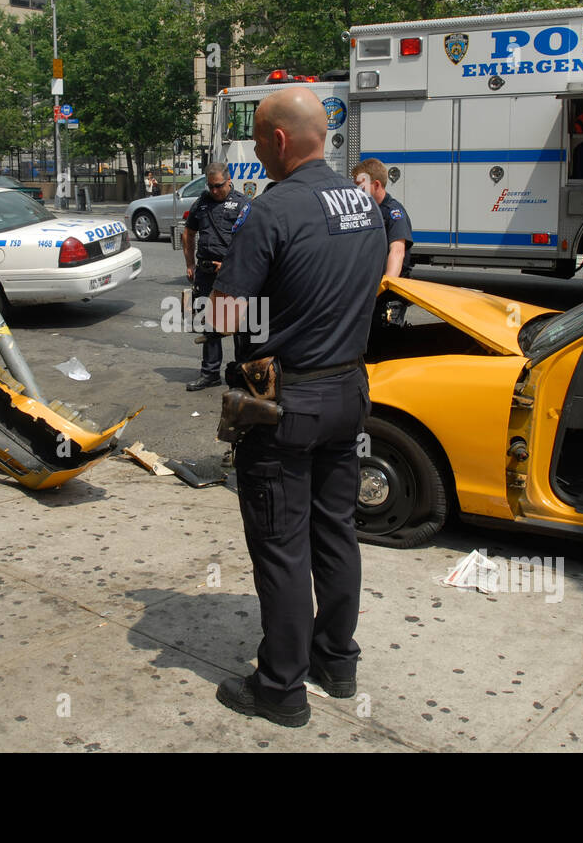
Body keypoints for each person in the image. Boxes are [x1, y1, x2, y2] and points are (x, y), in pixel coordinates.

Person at [209, 87, 386, 727]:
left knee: (282, 547)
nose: (256, 152)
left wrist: (223, 280)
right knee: (335, 530)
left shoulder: (273, 209)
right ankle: (336, 662)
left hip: (286, 403)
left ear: (279, 141)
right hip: (348, 393)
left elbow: (227, 311)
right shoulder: (366, 204)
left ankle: (281, 690)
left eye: (257, 141)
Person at [182, 163, 250, 391]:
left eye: (218, 186)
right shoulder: (201, 203)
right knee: (210, 325)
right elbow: (188, 233)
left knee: (240, 326)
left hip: (232, 274)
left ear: (228, 181)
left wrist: (230, 265)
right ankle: (210, 373)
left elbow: (251, 241)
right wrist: (190, 263)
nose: (213, 191)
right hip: (205, 273)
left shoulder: (242, 203)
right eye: (210, 186)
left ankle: (243, 374)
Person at [353, 158, 415, 326]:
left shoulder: (393, 213)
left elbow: (397, 251)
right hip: (368, 291)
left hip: (386, 296)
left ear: (376, 185)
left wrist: (385, 287)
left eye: (361, 186)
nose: (357, 191)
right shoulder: (367, 211)